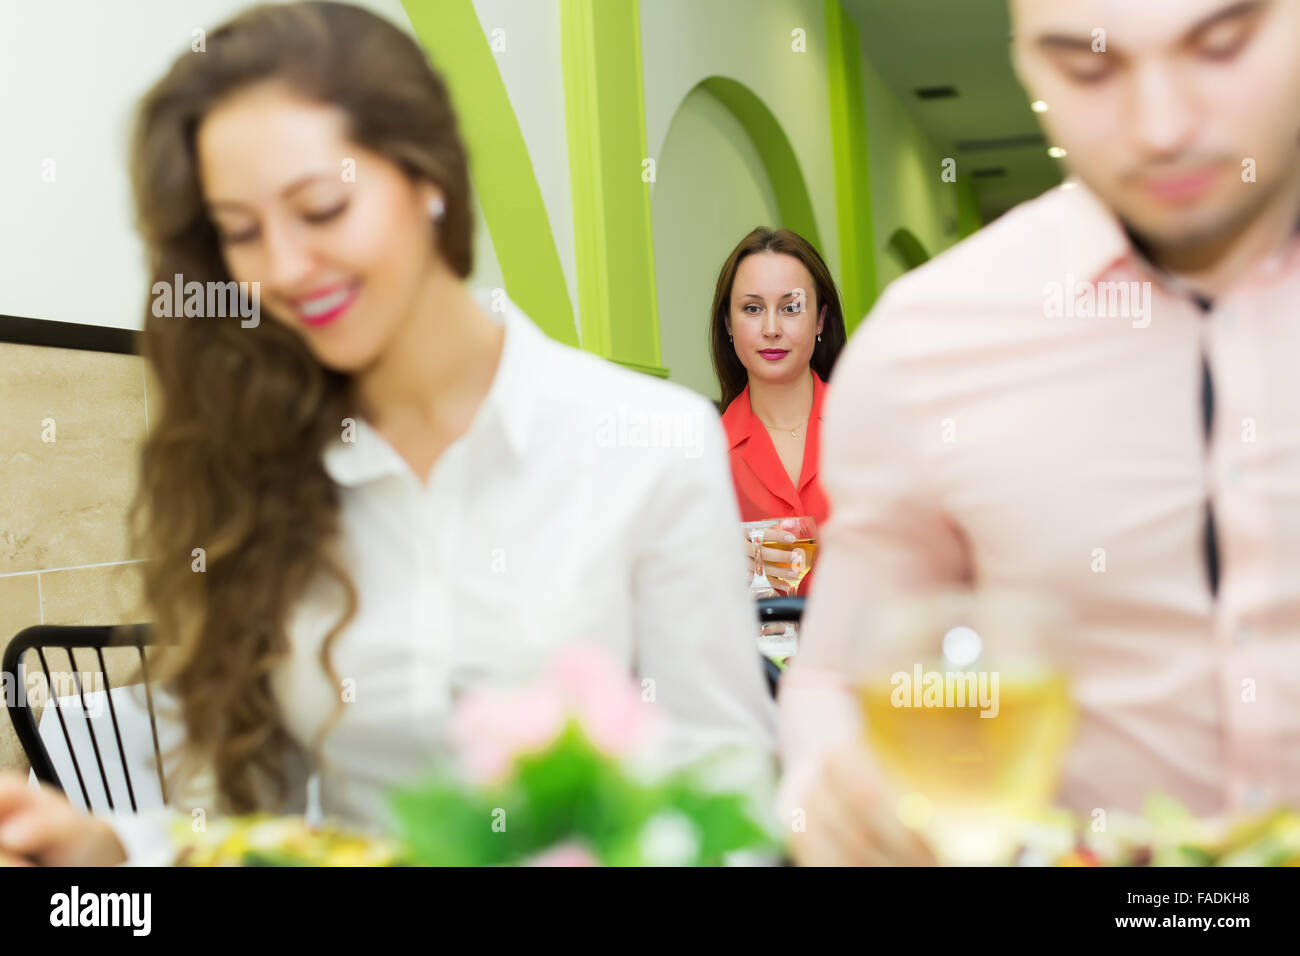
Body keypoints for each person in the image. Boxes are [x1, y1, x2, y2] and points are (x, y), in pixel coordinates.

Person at [0, 0, 775, 866]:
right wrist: (104, 850)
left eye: (323, 208)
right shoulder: (258, 460)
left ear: (429, 180)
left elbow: (727, 799)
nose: (286, 268)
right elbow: (216, 808)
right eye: (242, 234)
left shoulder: (650, 446)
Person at [782, 0, 1300, 865]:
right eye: (1088, 68)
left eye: (1221, 46)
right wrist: (827, 791)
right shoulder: (925, 344)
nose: (1162, 127)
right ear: (1023, 60)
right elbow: (839, 674)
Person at [710, 228, 847, 597]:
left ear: (820, 320)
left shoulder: (871, 427)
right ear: (727, 323)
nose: (771, 329)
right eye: (752, 309)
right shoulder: (703, 455)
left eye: (791, 308)